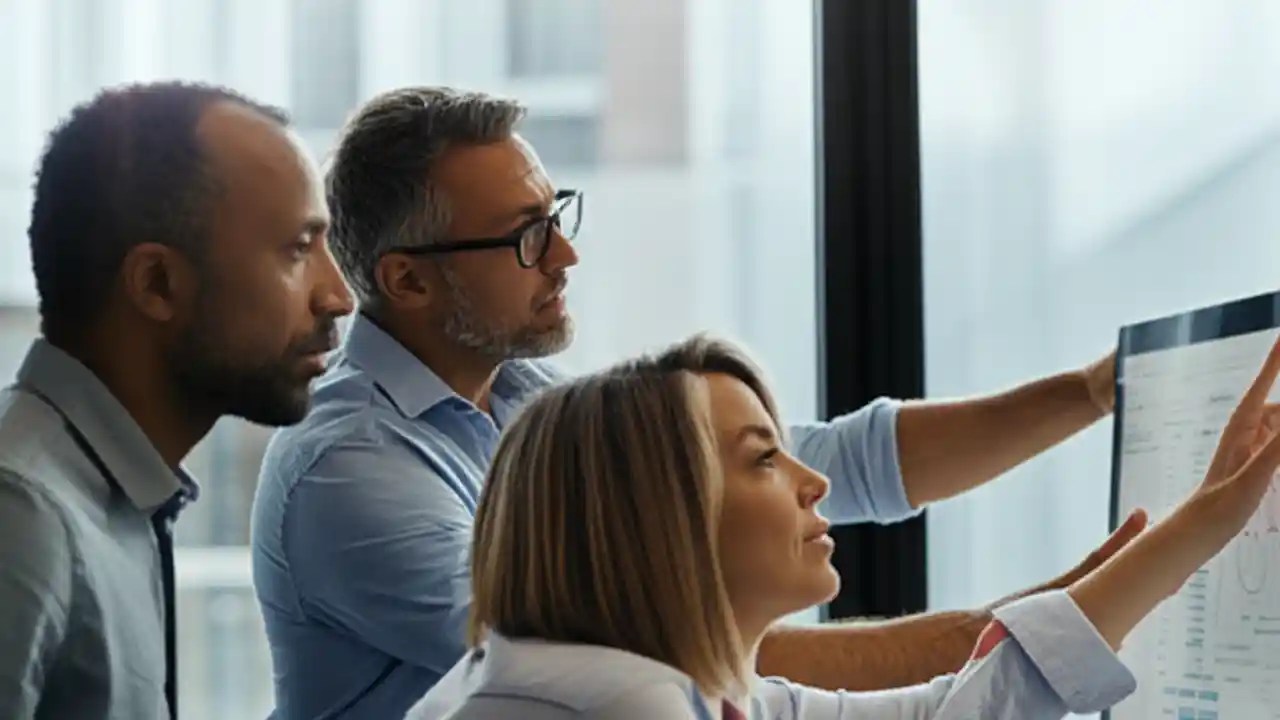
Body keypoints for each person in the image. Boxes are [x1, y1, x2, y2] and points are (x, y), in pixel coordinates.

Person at [251, 86, 1141, 719]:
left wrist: (1095, 393)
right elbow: (660, 645)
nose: (564, 256)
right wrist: (1045, 623)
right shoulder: (348, 472)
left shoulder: (518, 396)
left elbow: (838, 462)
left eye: (555, 214)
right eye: (526, 236)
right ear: (406, 279)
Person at [408, 333, 1280, 719]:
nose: (813, 480)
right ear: (660, 517)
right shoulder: (624, 705)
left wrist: (1204, 520)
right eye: (763, 458)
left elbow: (954, 711)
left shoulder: (696, 689)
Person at [0, 82, 354, 719]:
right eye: (299, 250)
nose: (338, 296)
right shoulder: (24, 516)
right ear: (157, 283)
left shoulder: (104, 497)